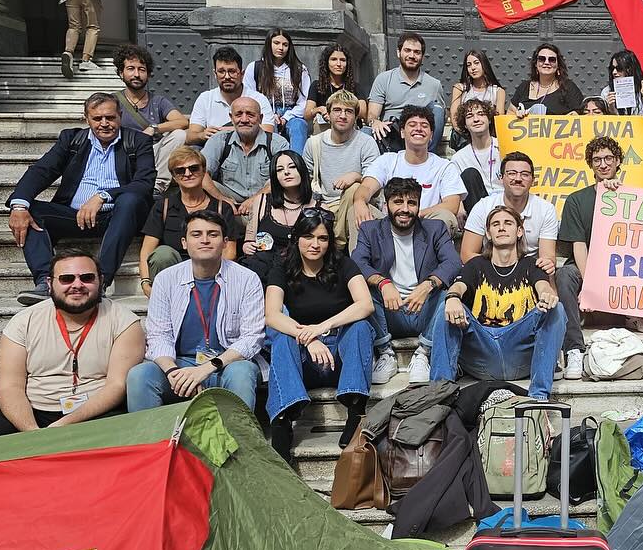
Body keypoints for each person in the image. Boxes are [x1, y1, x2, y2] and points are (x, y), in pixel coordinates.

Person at [0, 246, 143, 439]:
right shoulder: (23, 322)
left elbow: (116, 386)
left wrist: (64, 425)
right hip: (34, 412)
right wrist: (32, 433)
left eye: (87, 278)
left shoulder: (124, 322)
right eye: (67, 279)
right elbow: (9, 386)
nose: (77, 284)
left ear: (100, 281)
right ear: (50, 284)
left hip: (95, 412)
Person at [7, 92, 156, 304]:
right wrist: (19, 206)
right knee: (30, 211)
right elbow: (42, 170)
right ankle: (46, 282)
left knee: (130, 200)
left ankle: (100, 281)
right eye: (97, 118)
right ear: (86, 118)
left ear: (120, 116)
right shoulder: (71, 140)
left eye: (110, 118)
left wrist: (103, 196)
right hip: (75, 216)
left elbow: (144, 183)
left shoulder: (138, 141)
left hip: (120, 216)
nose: (104, 123)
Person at [264, 208, 376, 461]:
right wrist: (310, 338)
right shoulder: (282, 266)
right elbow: (272, 314)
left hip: (339, 358)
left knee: (359, 327)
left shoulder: (343, 263)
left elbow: (365, 304)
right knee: (281, 337)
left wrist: (322, 327)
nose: (315, 244)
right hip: (303, 360)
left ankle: (356, 410)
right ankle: (282, 420)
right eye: (308, 237)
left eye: (322, 238)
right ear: (296, 238)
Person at [126, 210, 265, 412]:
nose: (205, 240)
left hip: (226, 363)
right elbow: (158, 335)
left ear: (225, 242)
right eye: (196, 234)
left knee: (242, 373)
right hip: (180, 363)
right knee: (140, 375)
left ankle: (236, 441)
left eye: (213, 234)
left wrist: (205, 369)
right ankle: (150, 442)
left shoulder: (247, 279)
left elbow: (252, 338)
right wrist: (174, 372)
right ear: (184, 242)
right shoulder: (166, 279)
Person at [429, 205, 566, 401]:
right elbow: (459, 286)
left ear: (519, 231)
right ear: (488, 233)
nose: (501, 228)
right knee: (447, 306)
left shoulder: (531, 265)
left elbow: (543, 285)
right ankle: (439, 396)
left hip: (519, 354)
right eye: (496, 224)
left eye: (508, 223)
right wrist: (452, 298)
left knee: (556, 309)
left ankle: (538, 398)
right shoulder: (475, 265)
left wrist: (547, 294)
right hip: (481, 353)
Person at [354, 177, 462, 387]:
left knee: (447, 296)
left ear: (419, 206)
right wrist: (383, 283)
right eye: (398, 202)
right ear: (386, 205)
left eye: (411, 203)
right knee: (363, 293)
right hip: (388, 311)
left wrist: (428, 284)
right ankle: (386, 353)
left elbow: (453, 262)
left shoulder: (434, 229)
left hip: (425, 310)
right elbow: (357, 263)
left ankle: (423, 352)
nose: (405, 209)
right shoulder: (370, 230)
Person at [554, 135, 640, 365]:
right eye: (597, 159)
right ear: (590, 164)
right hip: (586, 266)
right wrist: (590, 285)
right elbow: (579, 245)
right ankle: (573, 347)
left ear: (618, 161)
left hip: (623, 269)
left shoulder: (634, 197)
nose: (603, 164)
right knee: (564, 274)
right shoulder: (576, 200)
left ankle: (638, 317)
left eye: (608, 158)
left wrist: (618, 194)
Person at [138, 145, 239, 290]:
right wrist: (145, 282)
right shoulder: (163, 206)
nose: (187, 173)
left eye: (194, 168)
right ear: (173, 176)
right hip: (172, 278)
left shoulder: (222, 208)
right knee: (162, 254)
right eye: (180, 170)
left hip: (210, 274)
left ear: (204, 171)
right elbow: (146, 251)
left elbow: (230, 252)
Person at [304, 90, 383, 250]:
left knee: (354, 188)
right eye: (337, 110)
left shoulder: (366, 143)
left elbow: (375, 181)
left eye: (349, 111)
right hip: (326, 204)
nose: (343, 116)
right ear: (328, 113)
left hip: (359, 203)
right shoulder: (314, 143)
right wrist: (317, 203)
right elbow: (305, 181)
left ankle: (337, 243)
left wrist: (356, 176)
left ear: (355, 116)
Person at [372, 106, 465, 237]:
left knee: (445, 216)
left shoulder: (444, 166)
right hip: (389, 225)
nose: (419, 128)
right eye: (412, 124)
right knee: (356, 206)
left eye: (424, 125)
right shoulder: (387, 160)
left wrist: (415, 214)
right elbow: (366, 187)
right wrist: (359, 202)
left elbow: (452, 204)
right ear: (402, 132)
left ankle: (429, 257)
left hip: (426, 225)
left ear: (431, 135)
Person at [112, 43, 189, 192]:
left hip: (153, 154)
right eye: (131, 69)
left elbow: (183, 121)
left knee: (179, 134)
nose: (136, 74)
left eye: (142, 70)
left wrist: (154, 128)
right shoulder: (113, 101)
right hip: (125, 154)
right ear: (121, 73)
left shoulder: (158, 101)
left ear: (148, 74)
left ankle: (157, 186)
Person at [461, 152, 559, 266]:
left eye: (525, 174)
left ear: (533, 180)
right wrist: (502, 270)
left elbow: (548, 257)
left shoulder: (546, 209)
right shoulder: (483, 206)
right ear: (501, 178)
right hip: (490, 268)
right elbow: (467, 254)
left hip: (529, 270)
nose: (518, 178)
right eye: (512, 173)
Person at [202, 95, 288, 214]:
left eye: (250, 114)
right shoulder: (219, 140)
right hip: (229, 201)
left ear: (261, 118)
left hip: (266, 201)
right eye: (238, 114)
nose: (244, 120)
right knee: (203, 181)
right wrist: (224, 200)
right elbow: (201, 173)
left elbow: (284, 176)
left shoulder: (277, 143)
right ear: (231, 118)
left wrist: (255, 200)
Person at [241, 149, 318, 272]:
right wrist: (248, 246)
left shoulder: (320, 208)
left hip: (301, 270)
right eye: (279, 170)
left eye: (292, 167)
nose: (286, 172)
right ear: (275, 177)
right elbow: (248, 241)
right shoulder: (261, 201)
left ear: (302, 170)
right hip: (265, 267)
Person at [367, 31, 446, 149]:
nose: (412, 56)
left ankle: (428, 157)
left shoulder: (434, 84)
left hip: (418, 135)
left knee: (438, 109)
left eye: (417, 52)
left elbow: (439, 118)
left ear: (422, 57)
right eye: (407, 50)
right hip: (391, 134)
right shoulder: (383, 79)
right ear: (399, 53)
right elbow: (372, 114)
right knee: (363, 133)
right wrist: (376, 122)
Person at [243, 27, 312, 154]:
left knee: (299, 126)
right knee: (268, 127)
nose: (281, 48)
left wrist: (286, 117)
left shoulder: (299, 69)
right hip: (264, 113)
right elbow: (250, 97)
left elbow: (304, 101)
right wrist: (269, 114)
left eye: (285, 44)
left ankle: (297, 165)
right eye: (276, 43)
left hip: (292, 113)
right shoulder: (255, 68)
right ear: (269, 44)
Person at [188, 47, 275, 143]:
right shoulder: (205, 99)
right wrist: (202, 135)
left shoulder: (258, 99)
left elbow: (268, 131)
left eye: (232, 71)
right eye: (221, 72)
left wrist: (227, 131)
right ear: (215, 73)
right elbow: (190, 136)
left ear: (242, 73)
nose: (227, 77)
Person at [450, 97, 505, 212]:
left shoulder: (505, 147)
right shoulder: (458, 158)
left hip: (506, 203)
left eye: (481, 114)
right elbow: (454, 190)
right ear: (464, 124)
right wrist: (459, 206)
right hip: (477, 208)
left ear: (489, 119)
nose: (476, 119)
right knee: (470, 174)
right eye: (470, 116)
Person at [447, 48, 506, 150]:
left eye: (476, 63)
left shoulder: (498, 91)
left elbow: (499, 119)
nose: (473, 68)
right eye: (469, 65)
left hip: (488, 135)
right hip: (464, 135)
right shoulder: (460, 89)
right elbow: (455, 119)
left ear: (484, 64)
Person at [512, 41, 584, 115]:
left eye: (552, 59)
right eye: (541, 59)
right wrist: (518, 115)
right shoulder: (524, 87)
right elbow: (510, 112)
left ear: (558, 65)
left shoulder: (568, 87)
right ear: (535, 64)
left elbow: (581, 114)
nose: (546, 62)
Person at [309, 42, 358, 125]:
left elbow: (363, 112)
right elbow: (307, 113)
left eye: (342, 60)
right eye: (334, 59)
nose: (338, 64)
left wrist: (338, 112)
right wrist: (320, 109)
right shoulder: (317, 85)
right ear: (326, 62)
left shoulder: (354, 86)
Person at [600, 48, 643, 115]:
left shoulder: (642, 89)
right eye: (612, 68)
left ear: (630, 69)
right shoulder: (607, 92)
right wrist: (612, 110)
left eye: (619, 68)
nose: (614, 72)